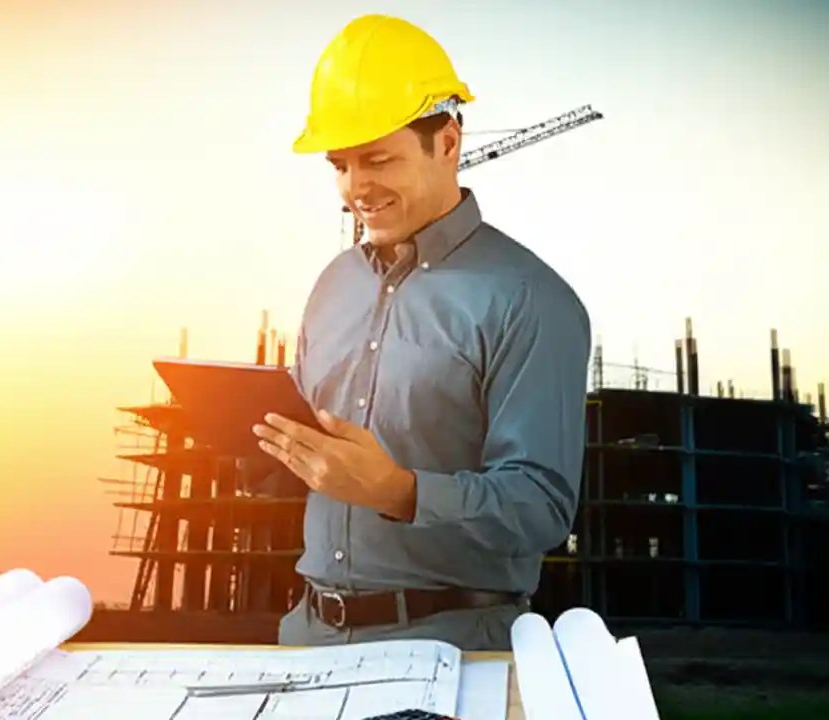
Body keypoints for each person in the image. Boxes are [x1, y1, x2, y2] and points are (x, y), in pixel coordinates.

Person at [253, 14, 591, 650]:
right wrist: (265, 447)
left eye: (378, 159)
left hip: (452, 647)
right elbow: (312, 448)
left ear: (449, 141)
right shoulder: (333, 286)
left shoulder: (529, 300)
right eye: (341, 165)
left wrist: (400, 493)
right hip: (307, 636)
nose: (356, 188)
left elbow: (542, 507)